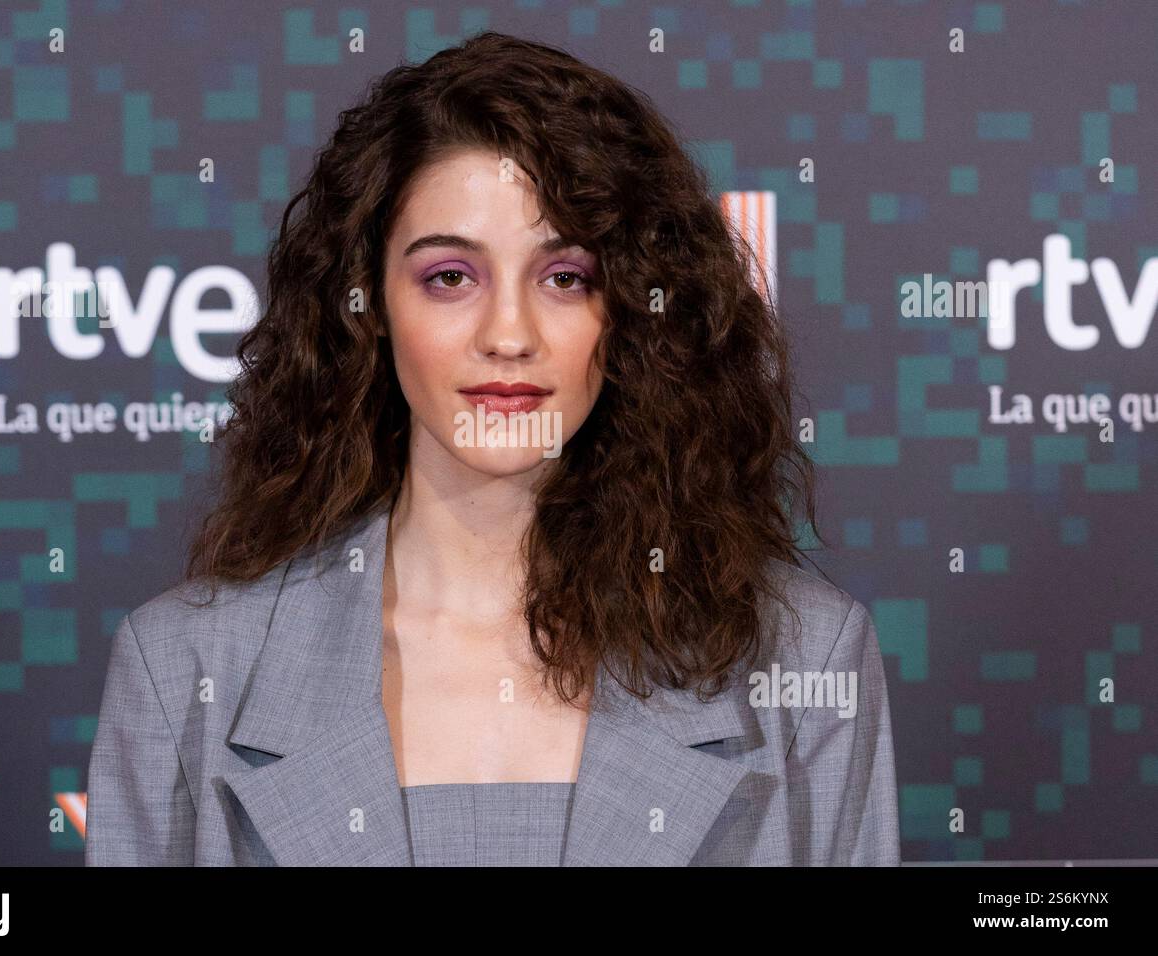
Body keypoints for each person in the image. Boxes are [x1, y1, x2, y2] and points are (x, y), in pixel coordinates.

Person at [85, 30, 900, 866]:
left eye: (564, 278)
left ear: (632, 311)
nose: (508, 335)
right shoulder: (185, 668)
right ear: (367, 306)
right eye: (450, 277)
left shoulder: (805, 662)